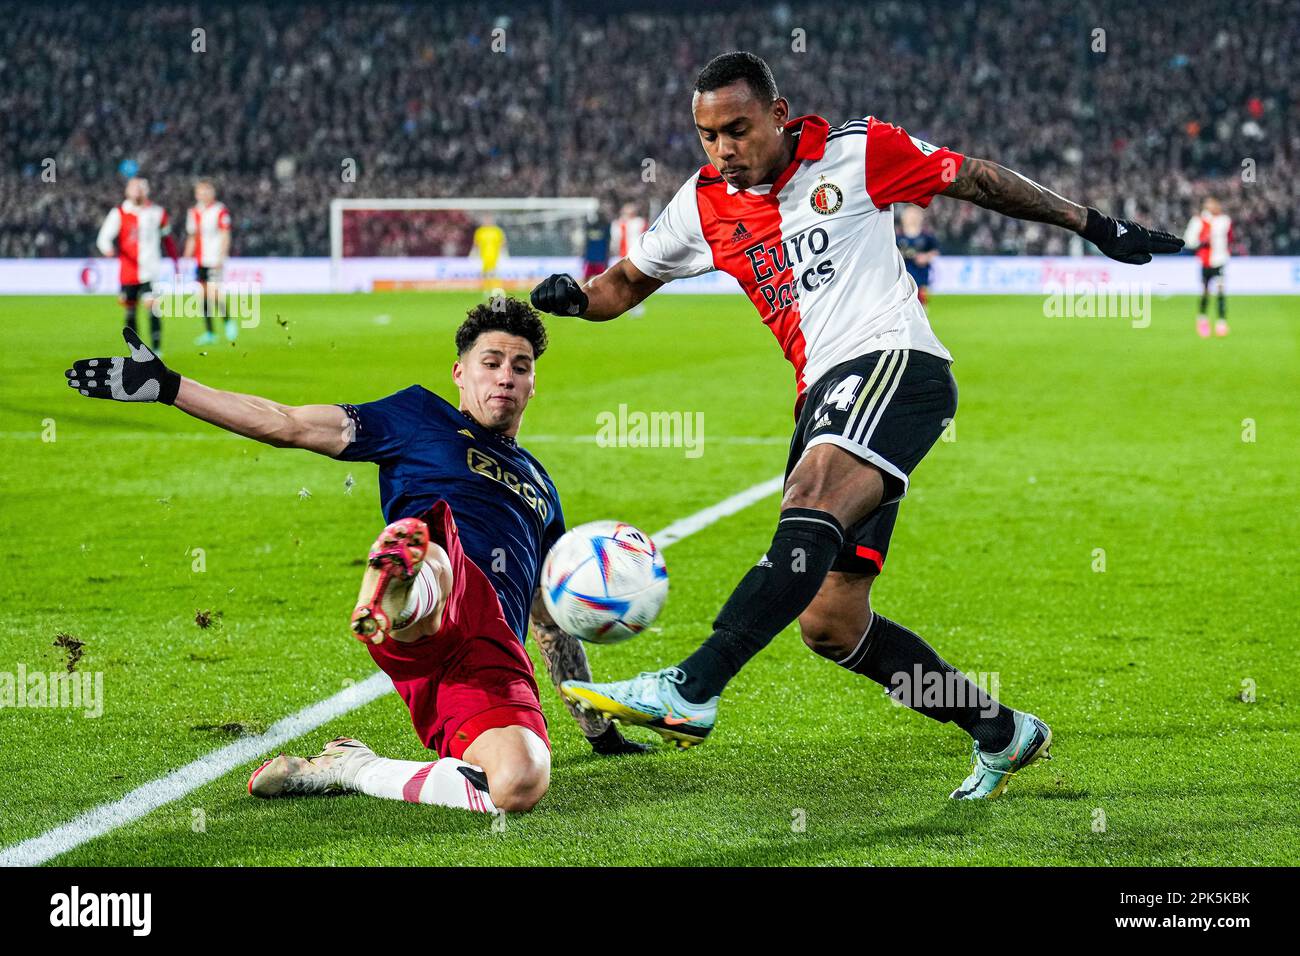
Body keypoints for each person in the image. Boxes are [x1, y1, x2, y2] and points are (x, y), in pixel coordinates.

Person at [530, 51, 1183, 799]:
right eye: (707, 136)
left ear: (778, 115)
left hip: (894, 365)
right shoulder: (701, 204)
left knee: (810, 493)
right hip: (822, 395)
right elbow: (625, 283)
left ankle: (694, 684)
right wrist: (576, 301)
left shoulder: (855, 150)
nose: (723, 150)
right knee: (831, 621)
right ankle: (1002, 731)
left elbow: (972, 176)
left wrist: (1094, 223)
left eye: (737, 129)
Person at [64, 299, 646, 814]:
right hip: (441, 592)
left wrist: (597, 729)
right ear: (460, 372)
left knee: (518, 784)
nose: (505, 377)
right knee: (436, 553)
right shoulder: (419, 417)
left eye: (520, 368)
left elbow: (549, 620)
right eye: (491, 363)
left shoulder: (541, 488)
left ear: (533, 384)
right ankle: (403, 579)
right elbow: (288, 424)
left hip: (490, 653)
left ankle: (352, 765)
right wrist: (171, 387)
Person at [96, 177, 179, 355]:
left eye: (141, 187)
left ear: (146, 190)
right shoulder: (119, 212)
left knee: (152, 306)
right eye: (133, 187)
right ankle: (137, 351)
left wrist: (175, 260)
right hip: (128, 272)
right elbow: (103, 238)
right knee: (131, 311)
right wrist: (107, 249)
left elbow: (168, 239)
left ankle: (157, 349)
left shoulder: (157, 213)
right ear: (127, 191)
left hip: (151, 270)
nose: (137, 191)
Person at [183, 180, 234, 345]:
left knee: (214, 293)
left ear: (212, 192)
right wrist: (186, 256)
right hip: (200, 260)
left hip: (214, 259)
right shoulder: (193, 212)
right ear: (196, 194)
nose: (203, 194)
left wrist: (222, 256)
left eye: (206, 191)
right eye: (200, 191)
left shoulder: (220, 210)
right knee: (202, 295)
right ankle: (210, 333)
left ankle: (228, 322)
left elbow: (225, 234)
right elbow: (192, 236)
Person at [1184, 197, 1233, 337]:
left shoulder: (1224, 221)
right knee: (1205, 291)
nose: (1212, 206)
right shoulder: (1198, 221)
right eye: (1208, 204)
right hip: (1205, 262)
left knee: (1220, 290)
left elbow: (1230, 238)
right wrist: (1201, 241)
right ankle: (1202, 320)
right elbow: (1189, 241)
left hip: (1220, 261)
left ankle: (1221, 322)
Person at [896, 205, 940, 307]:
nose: (912, 218)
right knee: (902, 306)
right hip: (902, 277)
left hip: (921, 277)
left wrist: (926, 257)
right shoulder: (897, 237)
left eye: (915, 214)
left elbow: (935, 251)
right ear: (904, 218)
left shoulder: (927, 236)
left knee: (921, 307)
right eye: (909, 215)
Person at [471, 216, 507, 291]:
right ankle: (486, 289)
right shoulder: (480, 231)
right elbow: (476, 243)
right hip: (483, 257)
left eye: (489, 219)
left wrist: (503, 252)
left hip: (495, 256)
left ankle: (497, 289)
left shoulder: (497, 231)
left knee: (495, 273)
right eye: (486, 220)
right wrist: (474, 253)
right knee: (485, 274)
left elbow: (503, 242)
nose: (487, 221)